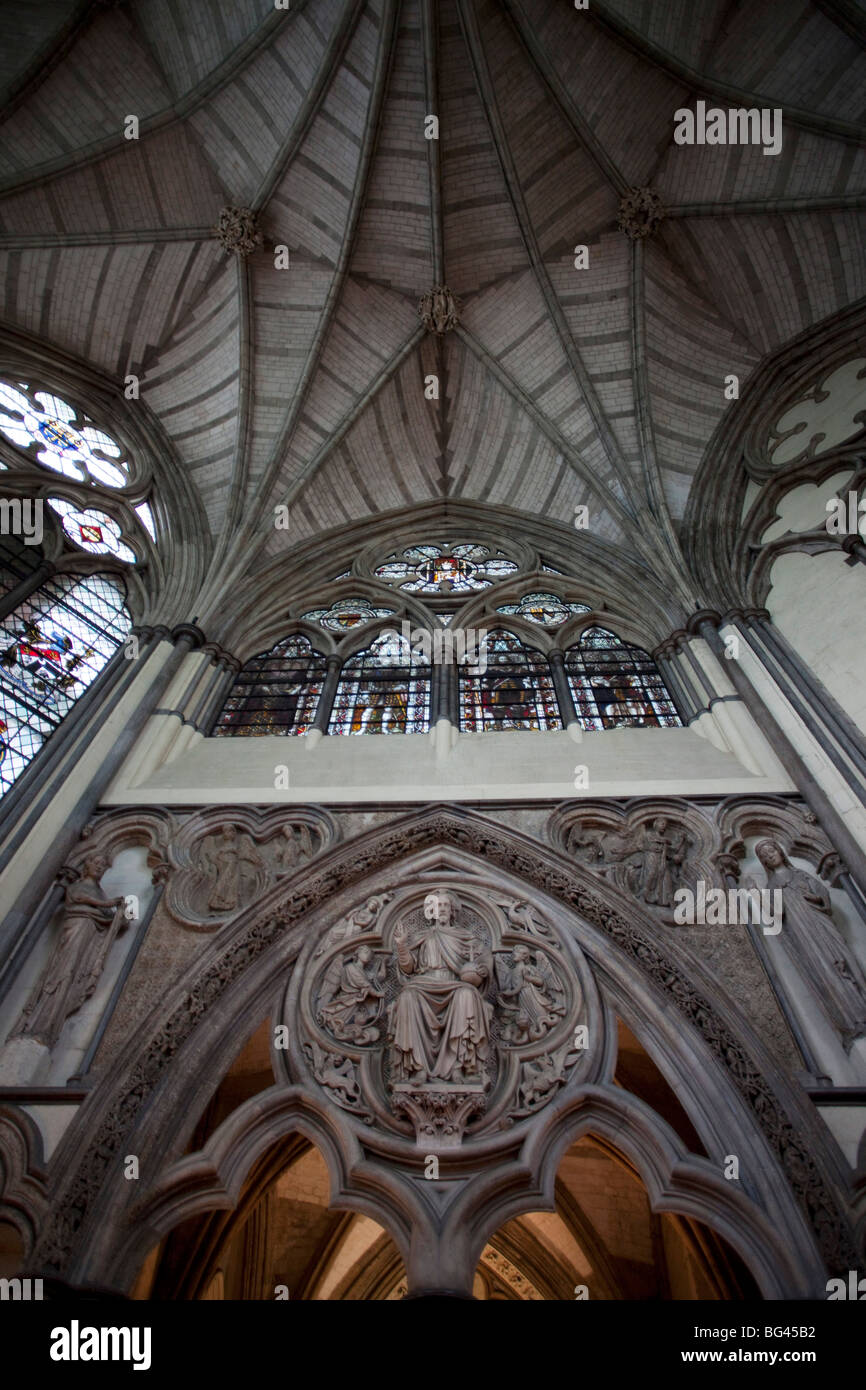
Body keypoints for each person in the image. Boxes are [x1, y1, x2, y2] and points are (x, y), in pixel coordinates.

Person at [388, 888, 492, 1085]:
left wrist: (482, 969)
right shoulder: (423, 936)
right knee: (407, 997)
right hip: (425, 981)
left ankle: (458, 1067)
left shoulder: (464, 936)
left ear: (452, 910)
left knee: (467, 995)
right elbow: (408, 968)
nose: (442, 909)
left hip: (454, 982)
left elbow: (483, 958)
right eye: (438, 906)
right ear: (432, 911)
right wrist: (402, 946)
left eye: (445, 905)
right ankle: (417, 1068)